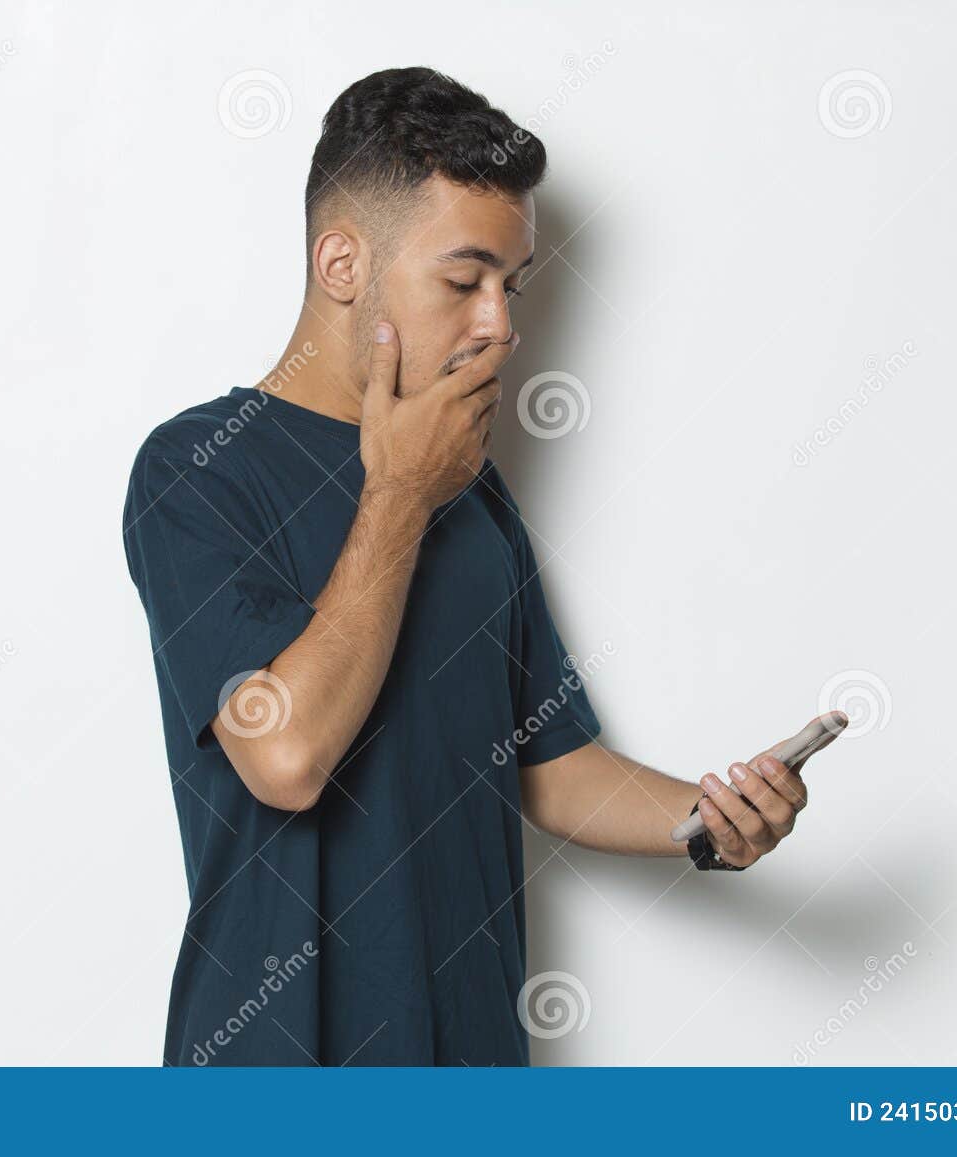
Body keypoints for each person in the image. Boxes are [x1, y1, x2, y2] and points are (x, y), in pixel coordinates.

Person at [122, 66, 825, 1066]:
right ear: (341, 262)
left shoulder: (470, 487)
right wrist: (400, 492)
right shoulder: (196, 468)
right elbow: (284, 757)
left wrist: (706, 822)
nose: (500, 323)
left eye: (514, 284)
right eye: (464, 280)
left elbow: (544, 763)